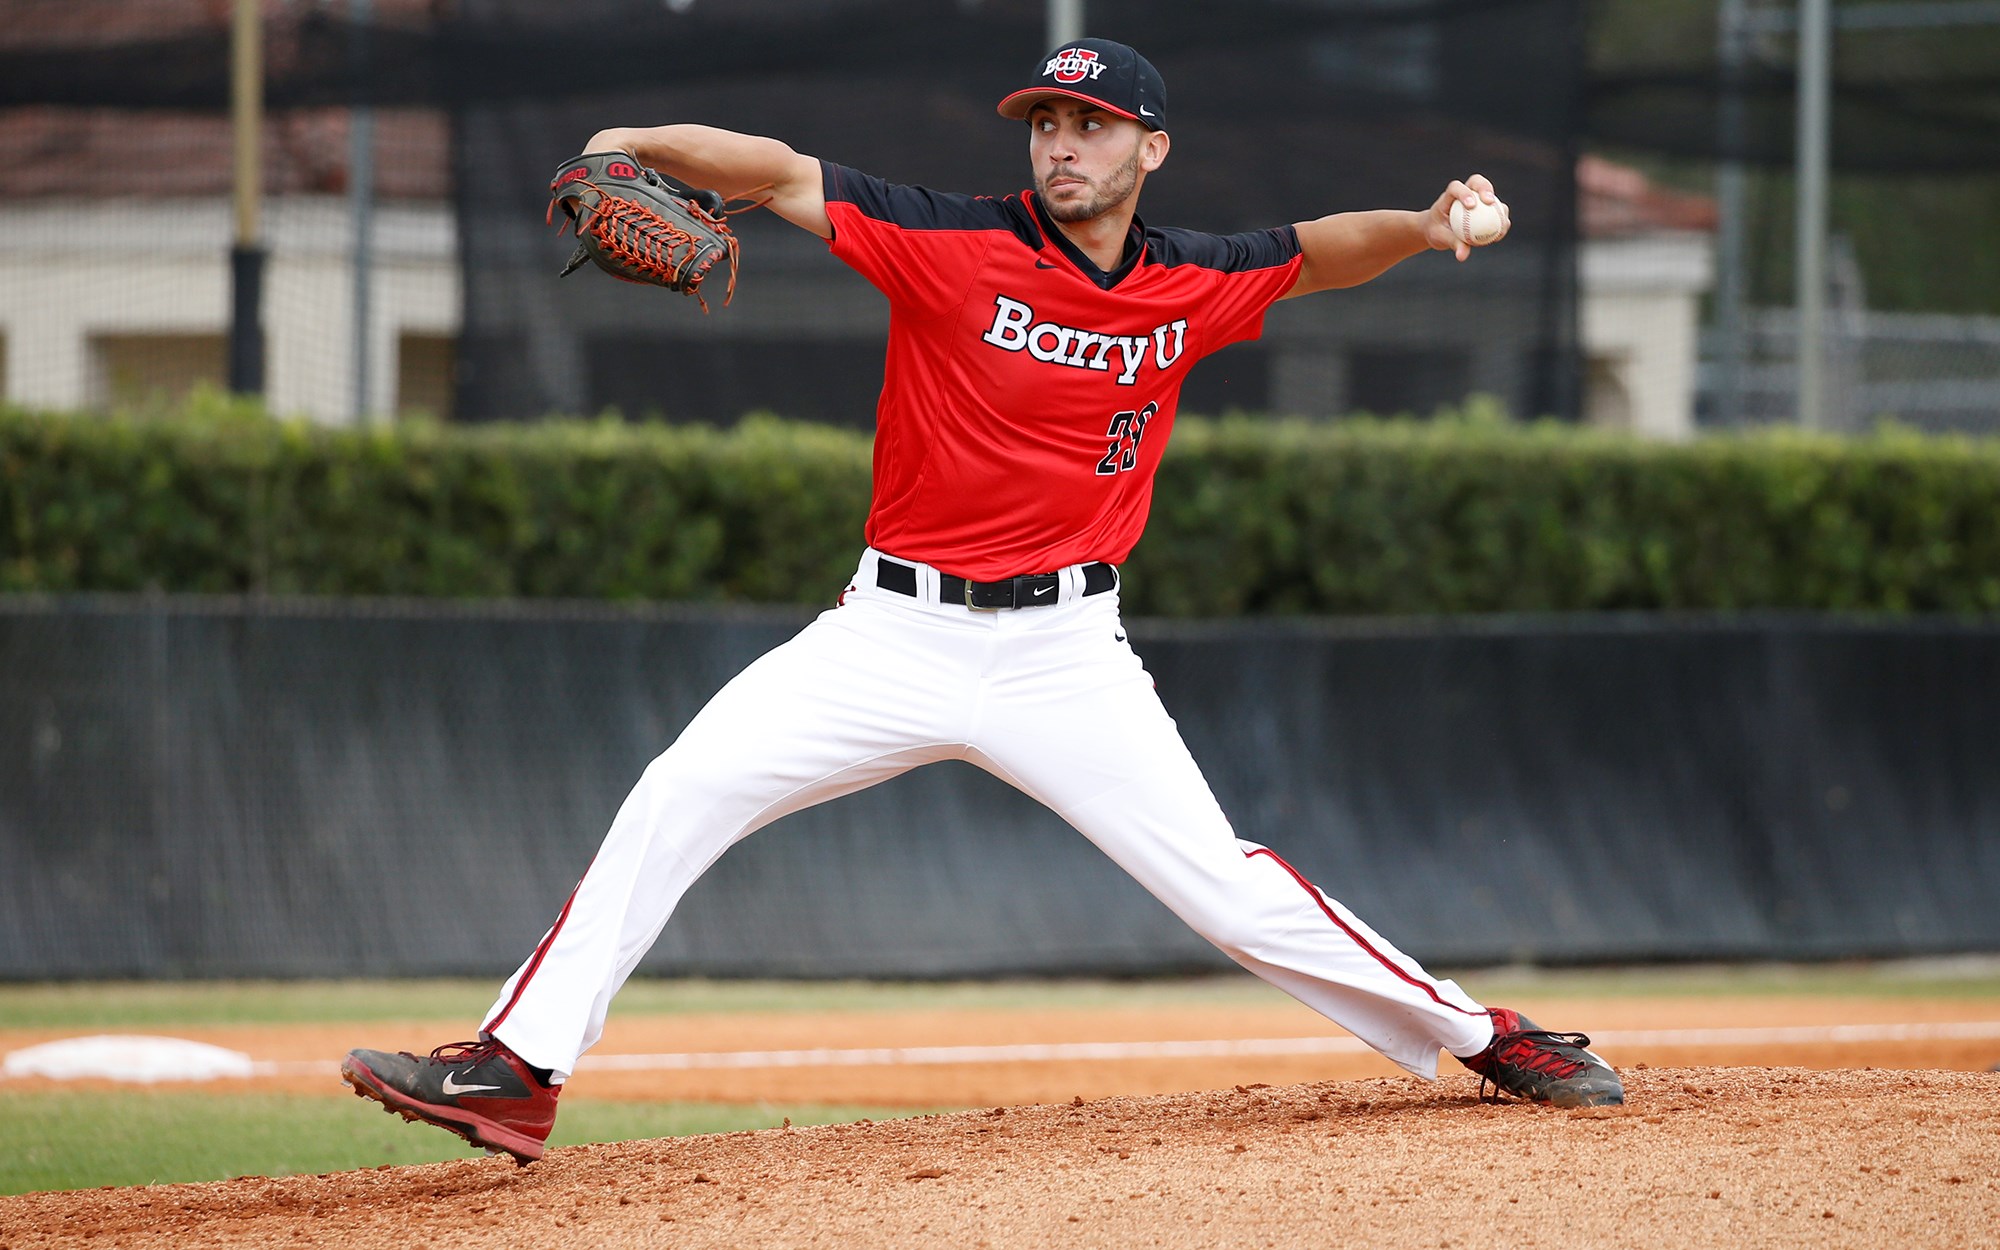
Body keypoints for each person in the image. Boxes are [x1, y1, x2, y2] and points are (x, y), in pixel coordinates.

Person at [342, 37, 1622, 1165]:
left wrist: (1426, 223)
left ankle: (1484, 1033)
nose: (1061, 144)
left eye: (1092, 125)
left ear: (1150, 148)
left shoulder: (1189, 278)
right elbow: (776, 171)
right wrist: (627, 139)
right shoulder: (947, 239)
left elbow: (1316, 254)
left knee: (1226, 891)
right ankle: (518, 1069)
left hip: (1067, 655)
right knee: (680, 791)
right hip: (890, 634)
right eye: (1046, 123)